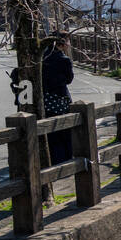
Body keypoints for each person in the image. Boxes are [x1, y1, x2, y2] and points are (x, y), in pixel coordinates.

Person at [41, 32, 74, 166]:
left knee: (50, 132)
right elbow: (69, 79)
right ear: (63, 43)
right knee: (63, 129)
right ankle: (64, 159)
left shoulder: (42, 56)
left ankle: (52, 158)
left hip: (45, 99)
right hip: (60, 99)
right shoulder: (64, 59)